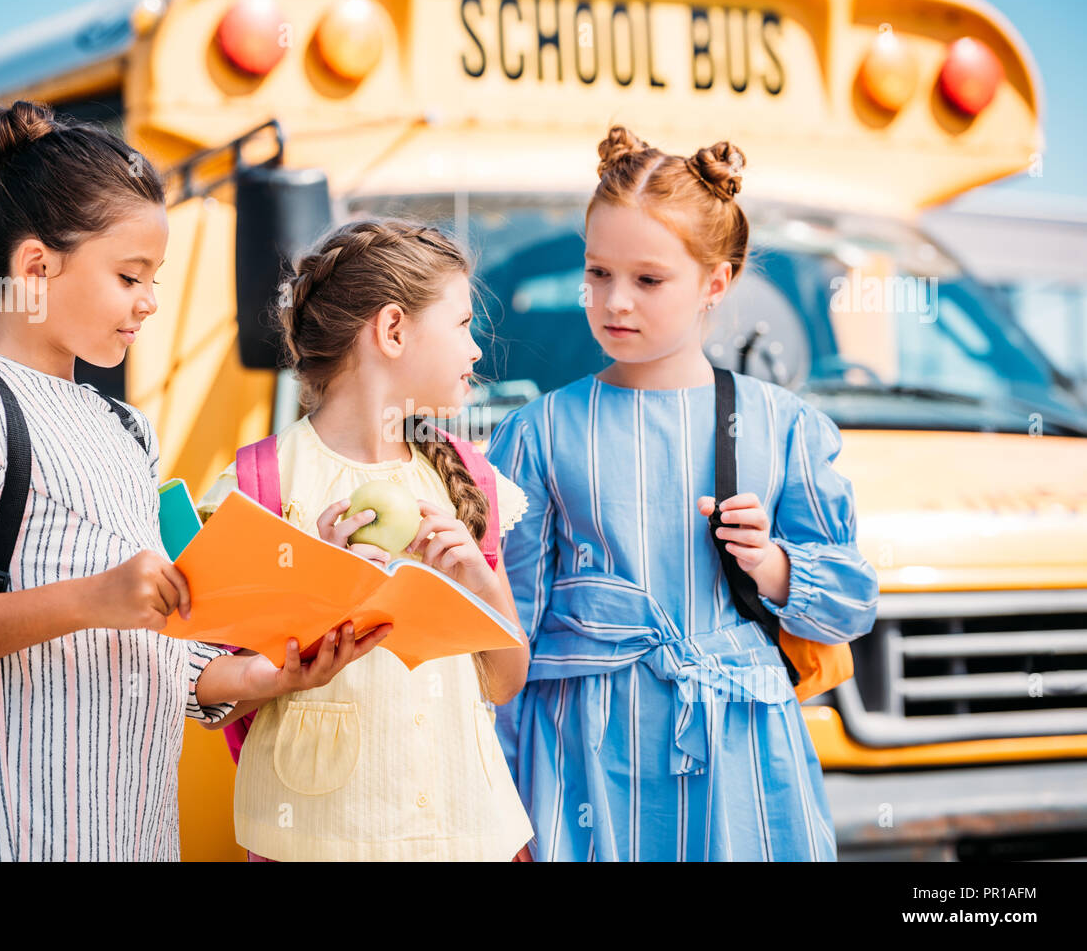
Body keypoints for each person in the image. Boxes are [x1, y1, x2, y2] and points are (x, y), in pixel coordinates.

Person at [0, 100, 386, 861]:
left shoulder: (125, 427)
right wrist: (94, 597)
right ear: (36, 269)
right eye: (129, 275)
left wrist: (271, 673)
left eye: (155, 277)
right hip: (23, 836)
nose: (149, 300)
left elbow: (161, 660)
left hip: (141, 837)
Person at [486, 126, 879, 861]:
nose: (614, 301)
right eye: (598, 272)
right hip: (582, 757)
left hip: (745, 754)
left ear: (716, 282)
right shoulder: (536, 435)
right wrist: (500, 803)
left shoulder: (784, 426)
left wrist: (773, 565)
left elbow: (854, 602)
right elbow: (507, 640)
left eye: (647, 279)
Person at [197, 218, 535, 861]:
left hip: (467, 837)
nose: (475, 352)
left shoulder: (470, 477)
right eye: (462, 325)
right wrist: (316, 592)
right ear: (392, 330)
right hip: (318, 842)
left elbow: (505, 680)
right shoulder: (257, 485)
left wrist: (479, 581)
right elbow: (210, 690)